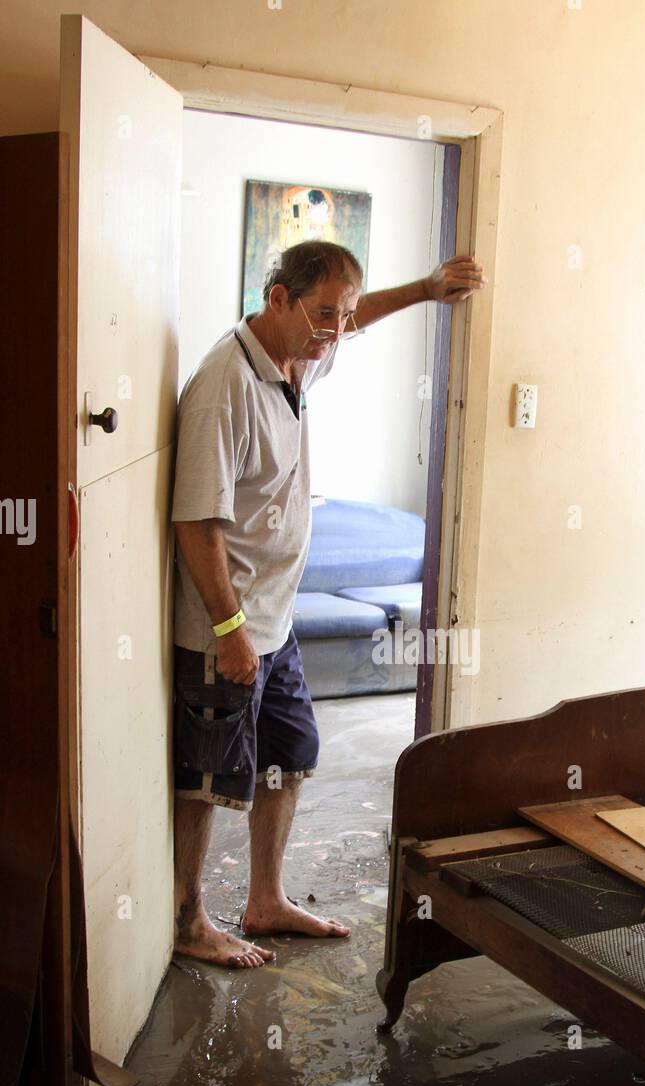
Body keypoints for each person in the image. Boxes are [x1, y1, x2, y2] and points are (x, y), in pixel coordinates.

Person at [171, 239, 486, 967]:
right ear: (276, 297)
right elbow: (196, 521)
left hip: (274, 623)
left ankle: (265, 899)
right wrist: (229, 630)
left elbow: (359, 313)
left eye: (340, 317)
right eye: (323, 315)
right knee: (210, 778)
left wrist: (428, 288)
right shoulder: (227, 385)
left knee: (291, 753)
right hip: (228, 627)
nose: (335, 332)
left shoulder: (301, 352)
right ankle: (188, 922)